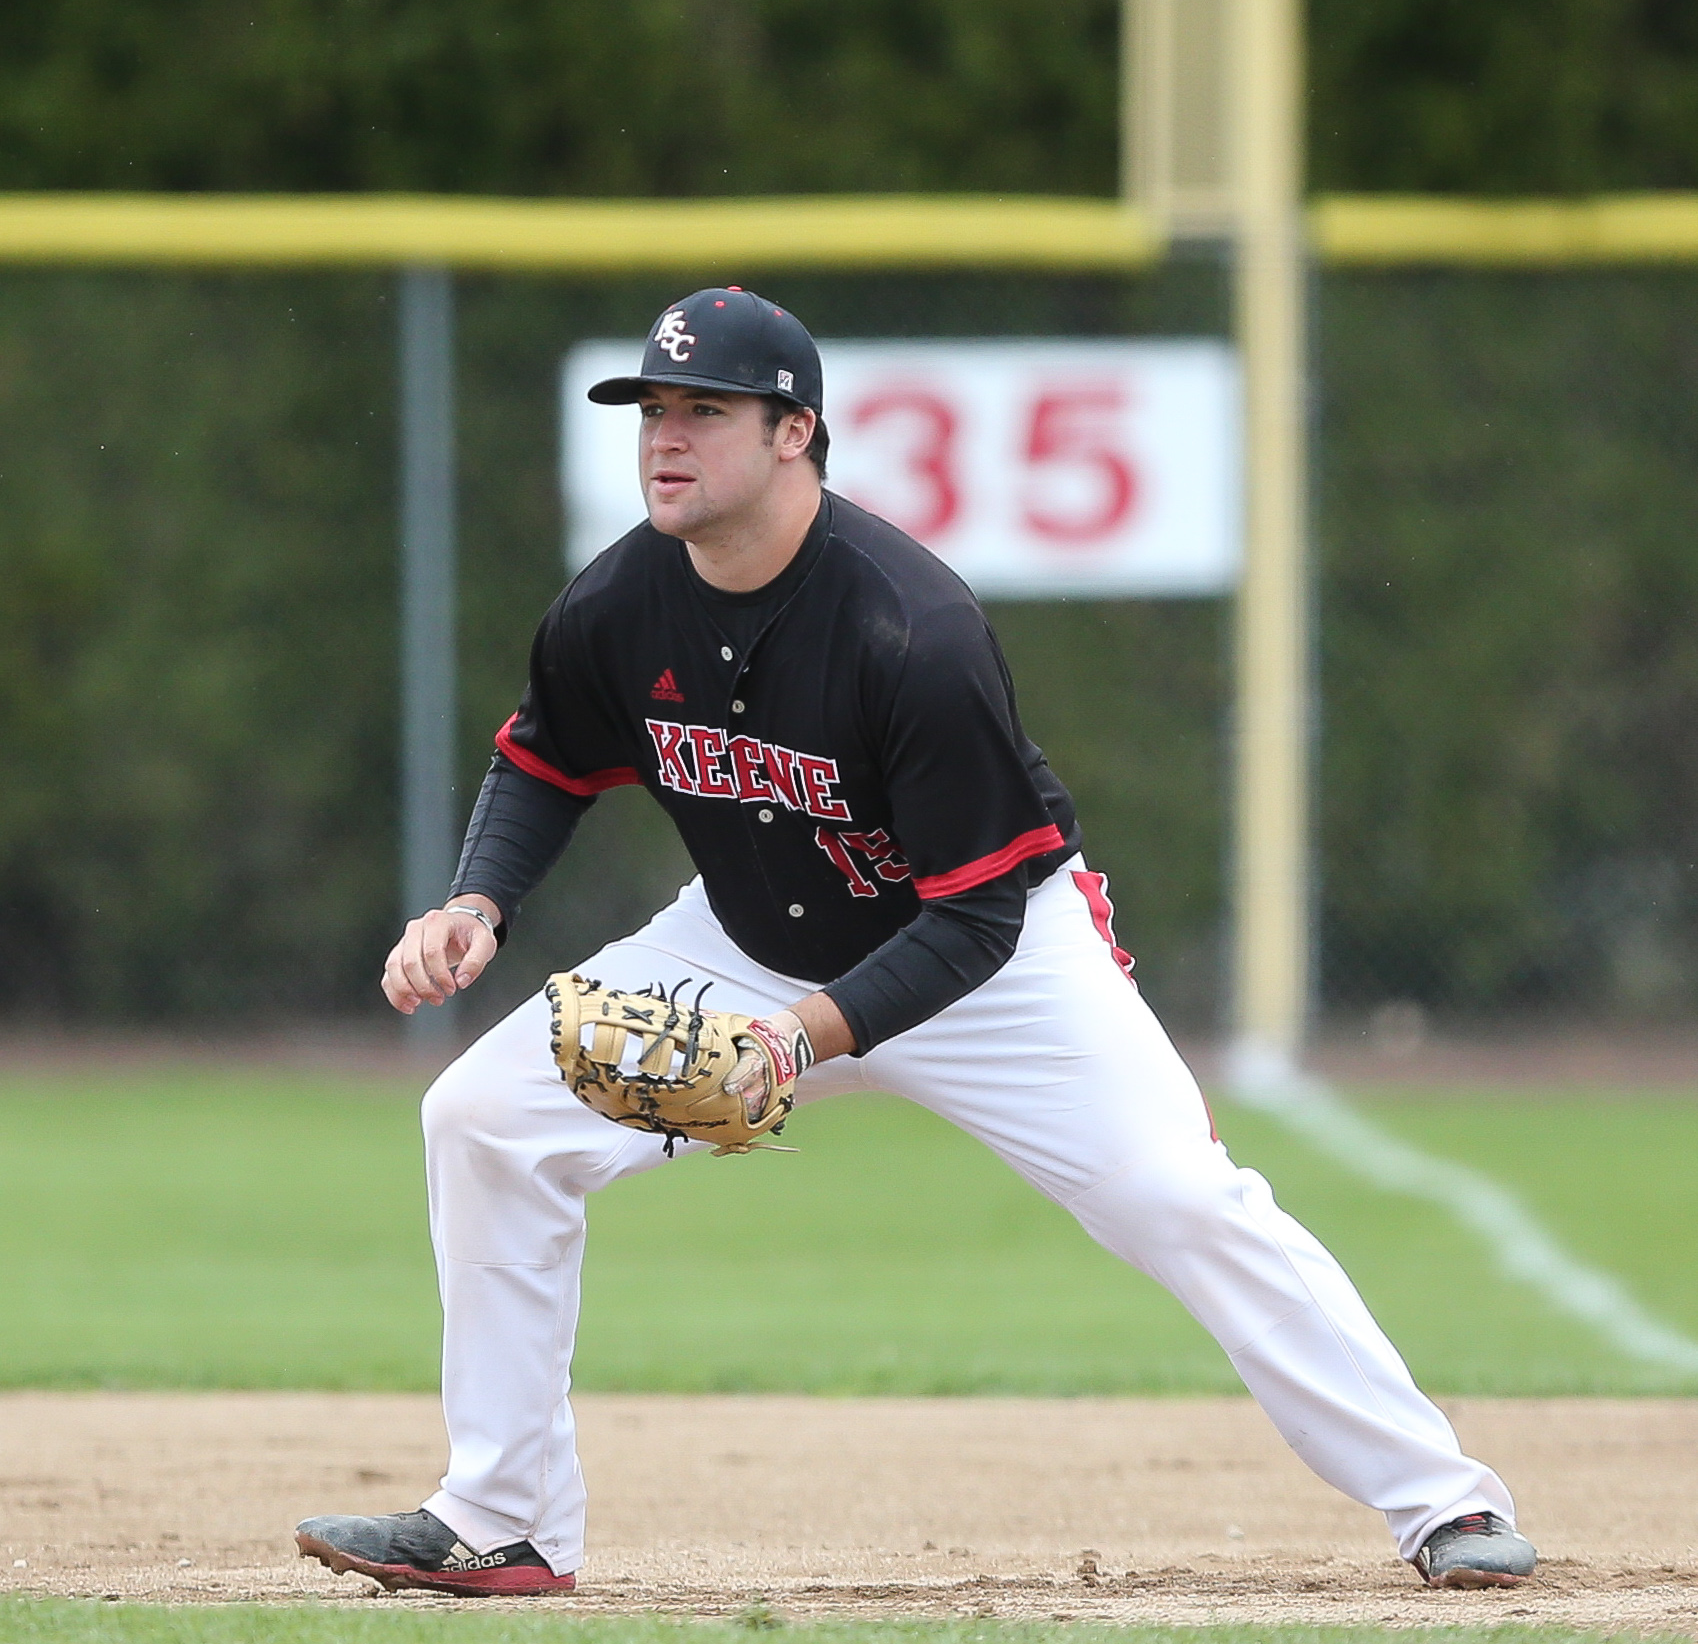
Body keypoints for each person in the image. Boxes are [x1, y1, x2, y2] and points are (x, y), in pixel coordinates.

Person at [295, 286, 1537, 1598]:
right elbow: (543, 758)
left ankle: (1441, 1502)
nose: (665, 436)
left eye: (703, 410)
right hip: (741, 948)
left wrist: (803, 1035)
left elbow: (978, 917)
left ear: (794, 434)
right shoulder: (616, 603)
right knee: (481, 1118)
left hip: (994, 973)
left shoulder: (910, 628)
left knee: (1177, 1197)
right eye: (652, 410)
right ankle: (502, 1516)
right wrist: (477, 902)